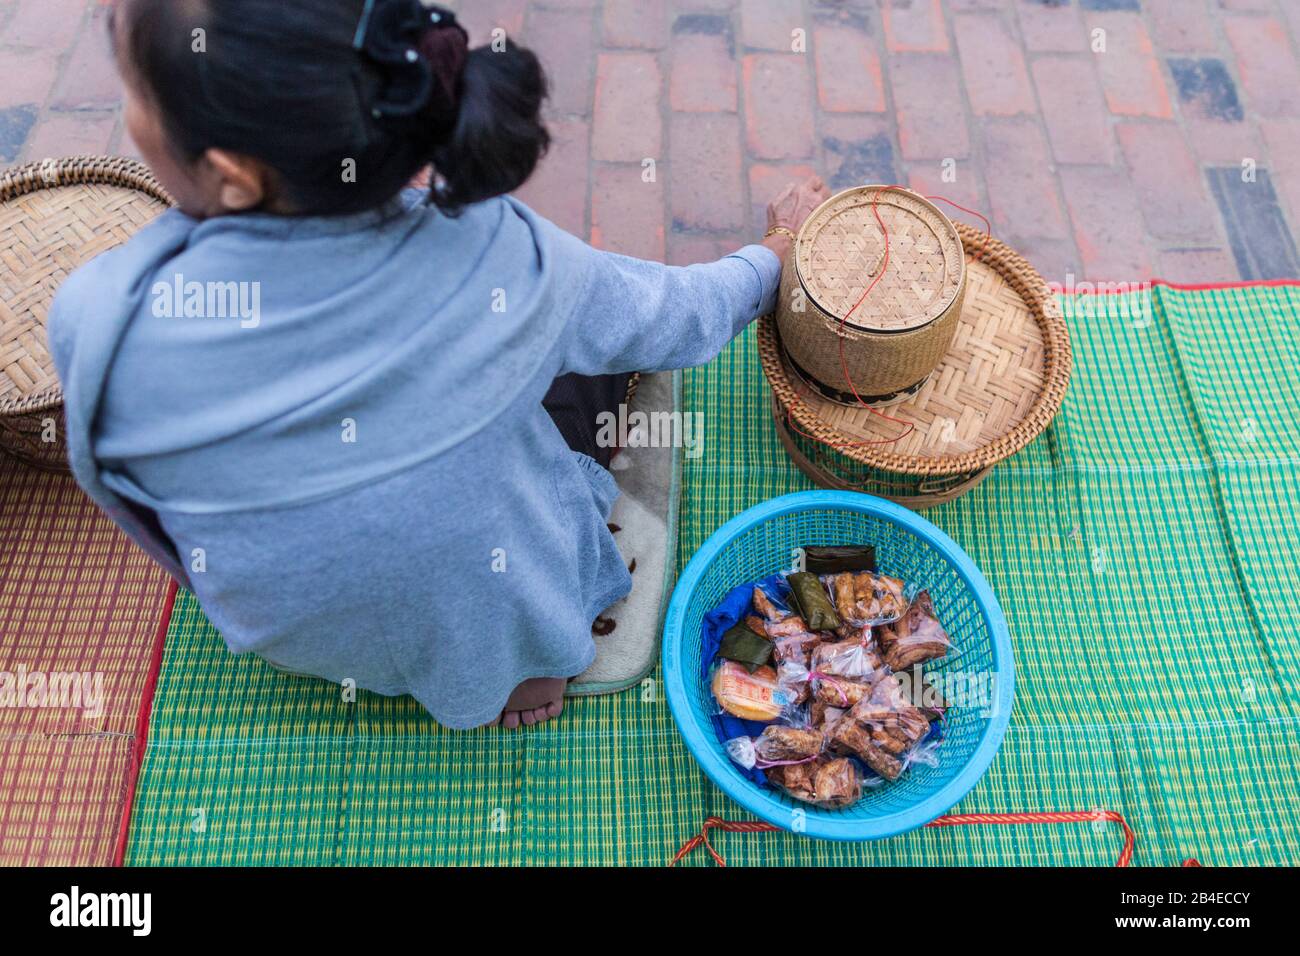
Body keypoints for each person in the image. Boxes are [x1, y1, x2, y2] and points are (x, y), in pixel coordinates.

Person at [49, 0, 831, 728]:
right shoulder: (506, 260)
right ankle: (530, 669)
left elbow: (152, 526)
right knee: (590, 362)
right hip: (504, 623)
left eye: (135, 97)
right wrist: (770, 259)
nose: (130, 115)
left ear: (232, 175)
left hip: (296, 634)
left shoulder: (99, 319)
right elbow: (675, 315)